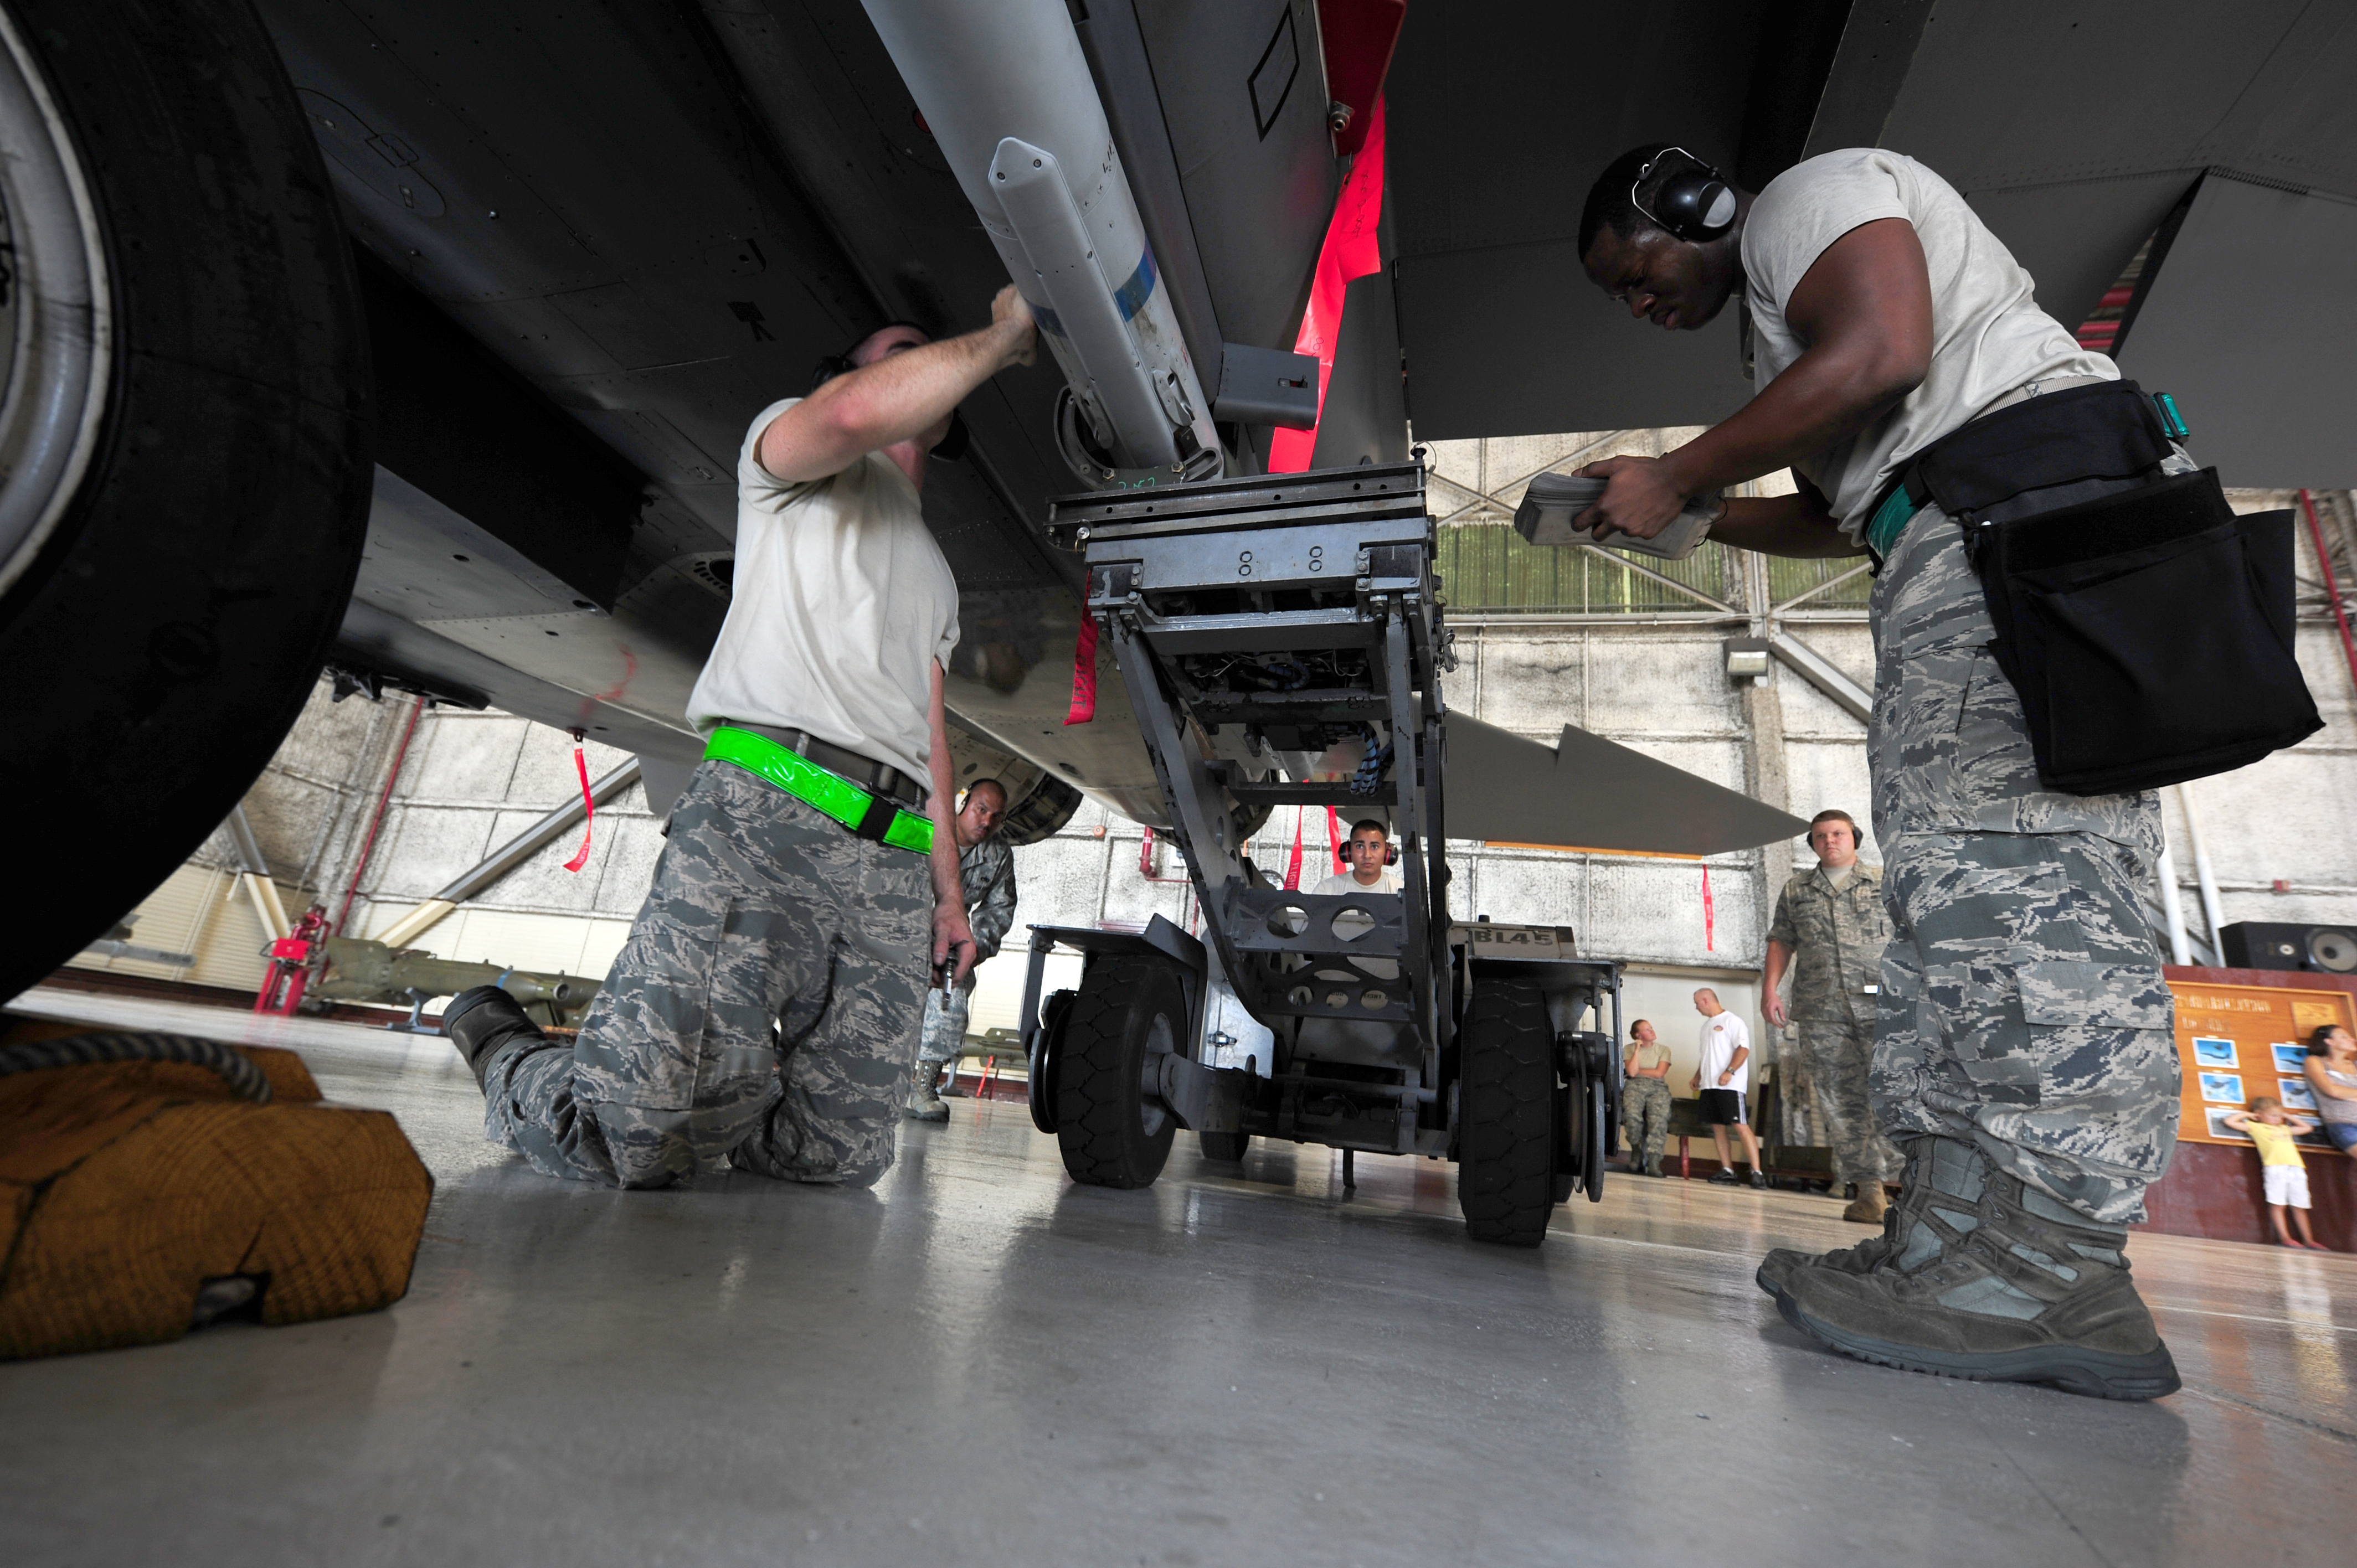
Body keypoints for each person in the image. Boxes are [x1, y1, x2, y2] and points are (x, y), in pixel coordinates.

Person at [1575, 143, 2186, 1397]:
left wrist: (1682, 469)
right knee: (1962, 904)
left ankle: (2055, 1263)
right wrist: (1683, 511)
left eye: (1633, 270)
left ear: (1690, 207)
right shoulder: (1781, 342)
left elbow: (1885, 348)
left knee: (2029, 890)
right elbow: (1836, 504)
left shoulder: (1808, 200)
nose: (1638, 303)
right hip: (1950, 541)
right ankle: (1963, 1236)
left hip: (2015, 523)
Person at [438, 287, 1039, 1189]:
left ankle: (700, 1093)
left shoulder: (935, 573)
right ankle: (506, 1048)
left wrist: (948, 897)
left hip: (890, 859)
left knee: (837, 1160)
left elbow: (929, 730)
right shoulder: (792, 457)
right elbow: (845, 416)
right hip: (766, 812)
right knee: (629, 1135)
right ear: (853, 379)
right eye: (899, 350)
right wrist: (1005, 336)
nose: (924, 356)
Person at [1763, 808, 1901, 1223]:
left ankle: (1911, 1186)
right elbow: (1781, 941)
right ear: (1812, 843)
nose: (1830, 841)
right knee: (1840, 1101)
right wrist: (1770, 989)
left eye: (1838, 833)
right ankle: (1870, 1191)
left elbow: (1913, 936)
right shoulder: (1797, 890)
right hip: (1823, 1011)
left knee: (1895, 1093)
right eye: (1820, 836)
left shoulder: (1884, 882)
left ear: (1855, 837)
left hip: (1884, 1005)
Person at [906, 778, 1017, 1122]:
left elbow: (998, 910)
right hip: (904, 927)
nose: (987, 822)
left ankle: (923, 1087)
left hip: (950, 941)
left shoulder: (997, 855)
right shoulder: (923, 830)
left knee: (950, 999)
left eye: (996, 816)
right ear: (961, 804)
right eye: (981, 810)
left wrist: (967, 951)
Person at [2221, 1097, 2327, 1250]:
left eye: (2279, 1116)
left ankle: (2309, 1240)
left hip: (2296, 1168)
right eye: (2273, 1115)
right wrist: (2248, 1115)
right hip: (2275, 1168)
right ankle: (2285, 1237)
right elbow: (2230, 1122)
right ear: (2259, 1115)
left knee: (2300, 1205)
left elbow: (2307, 1128)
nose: (2277, 1119)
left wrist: (2287, 1116)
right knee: (2279, 1204)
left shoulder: (2284, 1129)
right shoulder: (2256, 1127)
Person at [1691, 988, 1764, 1188]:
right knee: (1718, 1127)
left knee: (1740, 1126)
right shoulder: (1706, 1027)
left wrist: (1730, 1071)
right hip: (1709, 1085)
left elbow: (1743, 1049)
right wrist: (1698, 1076)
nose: (1696, 1007)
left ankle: (1757, 1172)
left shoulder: (1732, 1021)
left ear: (1706, 1001)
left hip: (1729, 1085)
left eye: (1697, 1003)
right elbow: (1707, 1055)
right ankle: (1728, 1170)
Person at [1622, 1018, 1674, 1177]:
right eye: (1647, 1029)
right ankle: (1637, 1151)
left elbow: (1659, 1073)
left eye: (1651, 1028)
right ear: (1638, 1035)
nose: (1652, 1031)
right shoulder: (1629, 1049)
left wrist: (1638, 1071)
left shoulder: (1663, 1050)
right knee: (1631, 1116)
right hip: (1634, 1086)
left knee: (1659, 1120)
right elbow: (1631, 1072)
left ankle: (1654, 1162)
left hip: (1657, 1088)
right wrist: (1637, 1051)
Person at [2301, 1024, 2357, 1155]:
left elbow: (2338, 1091)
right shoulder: (2315, 1061)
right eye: (2344, 1037)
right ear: (2329, 1042)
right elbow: (2332, 1091)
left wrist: (2346, 1093)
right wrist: (2343, 1093)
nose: (2352, 1040)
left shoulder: (2354, 1065)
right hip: (2344, 1124)